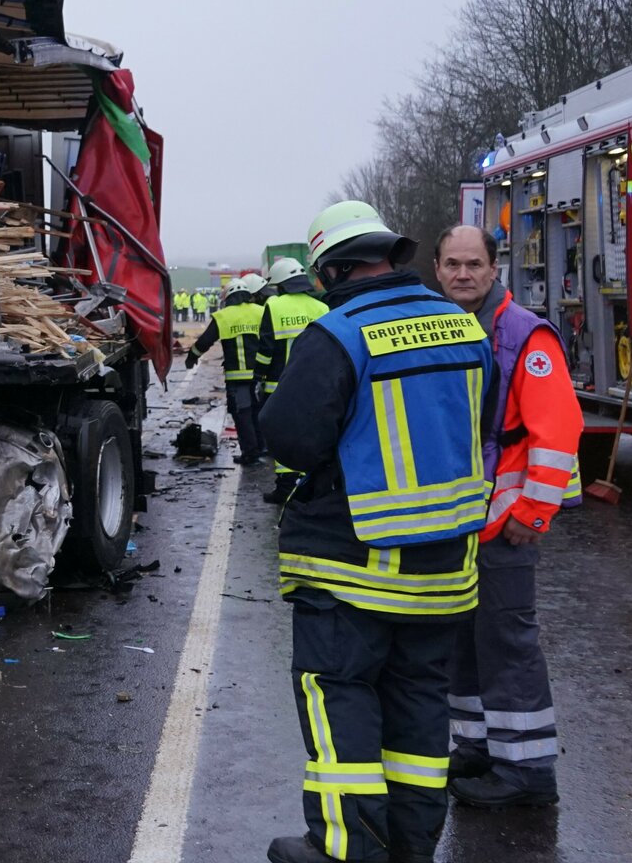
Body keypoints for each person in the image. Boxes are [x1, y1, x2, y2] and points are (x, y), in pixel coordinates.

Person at [258, 202, 493, 863]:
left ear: (331, 269)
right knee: (420, 707)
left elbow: (293, 440)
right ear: (393, 255)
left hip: (352, 565)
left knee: (340, 700)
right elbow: (480, 419)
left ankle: (343, 849)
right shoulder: (465, 327)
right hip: (446, 568)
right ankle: (411, 845)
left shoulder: (340, 332)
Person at [432, 225, 582, 809]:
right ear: (438, 269)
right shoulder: (442, 328)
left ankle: (526, 773)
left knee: (507, 642)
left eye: (474, 264)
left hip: (507, 525)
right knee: (463, 642)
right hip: (461, 523)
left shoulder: (525, 336)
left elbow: (558, 433)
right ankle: (474, 748)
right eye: (452, 264)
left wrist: (533, 513)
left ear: (495, 270)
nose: (463, 274)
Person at [256, 256, 329, 505]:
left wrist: (259, 376)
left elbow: (265, 348)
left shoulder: (274, 305)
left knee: (283, 436)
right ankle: (313, 486)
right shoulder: (320, 307)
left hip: (280, 387)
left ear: (281, 284)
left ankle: (285, 487)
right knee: (314, 434)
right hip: (317, 386)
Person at [186, 273, 268, 465]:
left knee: (243, 415)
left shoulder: (223, 316)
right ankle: (263, 446)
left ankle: (250, 453)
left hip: (238, 378)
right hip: (260, 375)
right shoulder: (261, 311)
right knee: (259, 411)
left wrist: (192, 357)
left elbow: (205, 341)